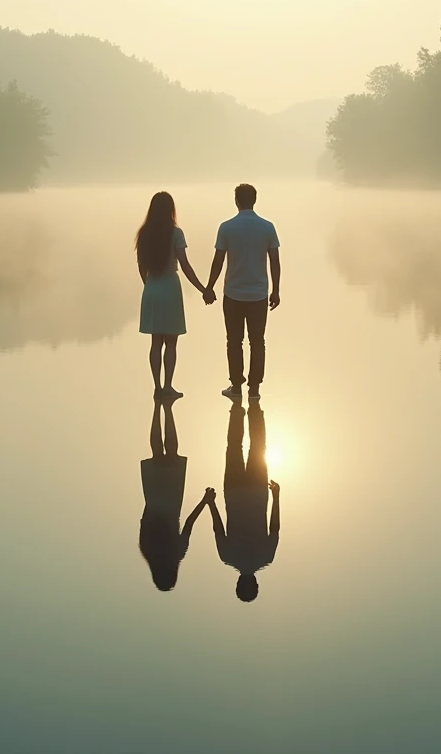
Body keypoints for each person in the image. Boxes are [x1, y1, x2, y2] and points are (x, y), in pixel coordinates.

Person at [204, 183, 280, 400]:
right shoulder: (267, 227)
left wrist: (209, 287)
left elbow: (218, 261)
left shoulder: (227, 227)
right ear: (254, 200)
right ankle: (254, 388)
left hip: (233, 294)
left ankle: (236, 387)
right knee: (258, 341)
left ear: (236, 201)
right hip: (258, 295)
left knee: (234, 341)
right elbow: (274, 261)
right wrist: (276, 290)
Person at [139, 395, 215, 591]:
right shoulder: (146, 550)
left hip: (171, 502)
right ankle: (158, 408)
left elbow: (189, 523)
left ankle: (168, 409)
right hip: (154, 500)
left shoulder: (176, 553)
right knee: (156, 453)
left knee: (171, 454)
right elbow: (143, 521)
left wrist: (205, 501)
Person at [207, 401, 280, 602]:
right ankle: (237, 407)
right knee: (234, 447)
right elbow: (218, 529)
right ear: (238, 583)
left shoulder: (266, 557)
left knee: (258, 447)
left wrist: (276, 498)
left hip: (257, 493)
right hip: (234, 492)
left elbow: (275, 528)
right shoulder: (227, 557)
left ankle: (255, 406)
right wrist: (210, 503)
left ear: (256, 584)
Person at [136, 191, 208, 398]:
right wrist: (203, 289)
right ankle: (168, 386)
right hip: (170, 288)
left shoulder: (144, 233)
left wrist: (149, 285)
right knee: (171, 343)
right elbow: (184, 265)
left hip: (151, 288)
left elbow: (141, 266)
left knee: (155, 342)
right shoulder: (176, 234)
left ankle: (157, 387)